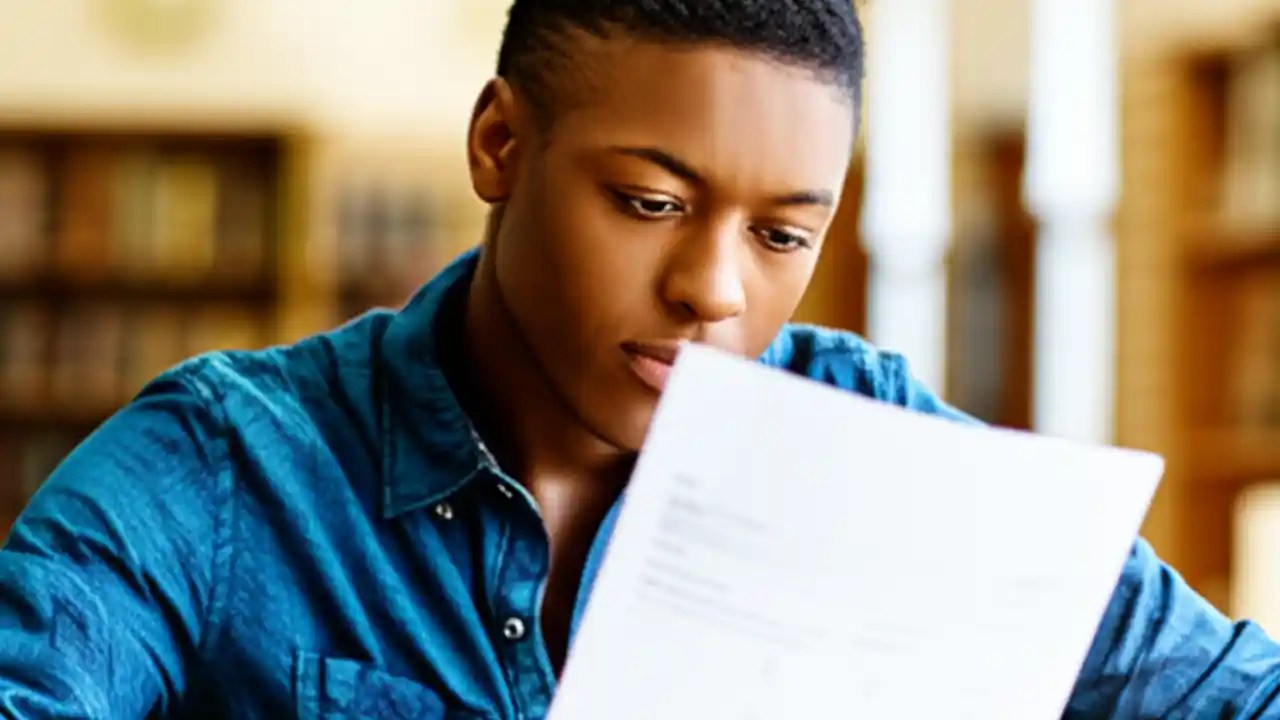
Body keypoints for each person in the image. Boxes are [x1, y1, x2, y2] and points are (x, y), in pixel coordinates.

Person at [1, 1, 1277, 718]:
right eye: (651, 203)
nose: (714, 290)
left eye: (783, 233)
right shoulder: (225, 471)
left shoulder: (876, 450)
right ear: (500, 145)